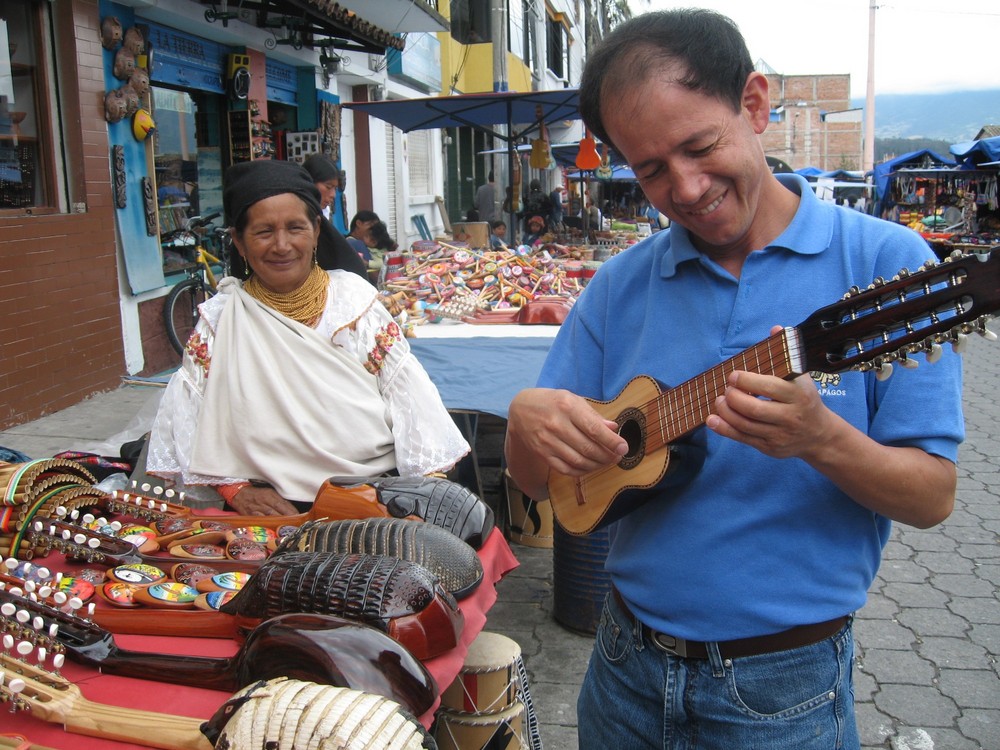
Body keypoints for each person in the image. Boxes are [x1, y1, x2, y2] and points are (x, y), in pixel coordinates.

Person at [503, 9, 963, 750]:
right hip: (621, 665)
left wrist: (822, 439)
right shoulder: (619, 286)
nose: (685, 188)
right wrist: (527, 419)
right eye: (650, 169)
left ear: (753, 104)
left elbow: (932, 497)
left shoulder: (887, 266)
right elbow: (538, 484)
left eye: (699, 146)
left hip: (784, 690)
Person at [147, 160, 469, 515]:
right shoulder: (219, 323)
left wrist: (420, 498)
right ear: (238, 241)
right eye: (263, 232)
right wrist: (236, 491)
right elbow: (188, 421)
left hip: (371, 497)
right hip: (270, 512)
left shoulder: (355, 307)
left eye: (295, 228)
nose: (281, 245)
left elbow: (410, 400)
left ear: (316, 230)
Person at [293, 156, 368, 281]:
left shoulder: (324, 215)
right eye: (328, 187)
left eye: (335, 188)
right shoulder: (296, 214)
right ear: (309, 182)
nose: (333, 194)